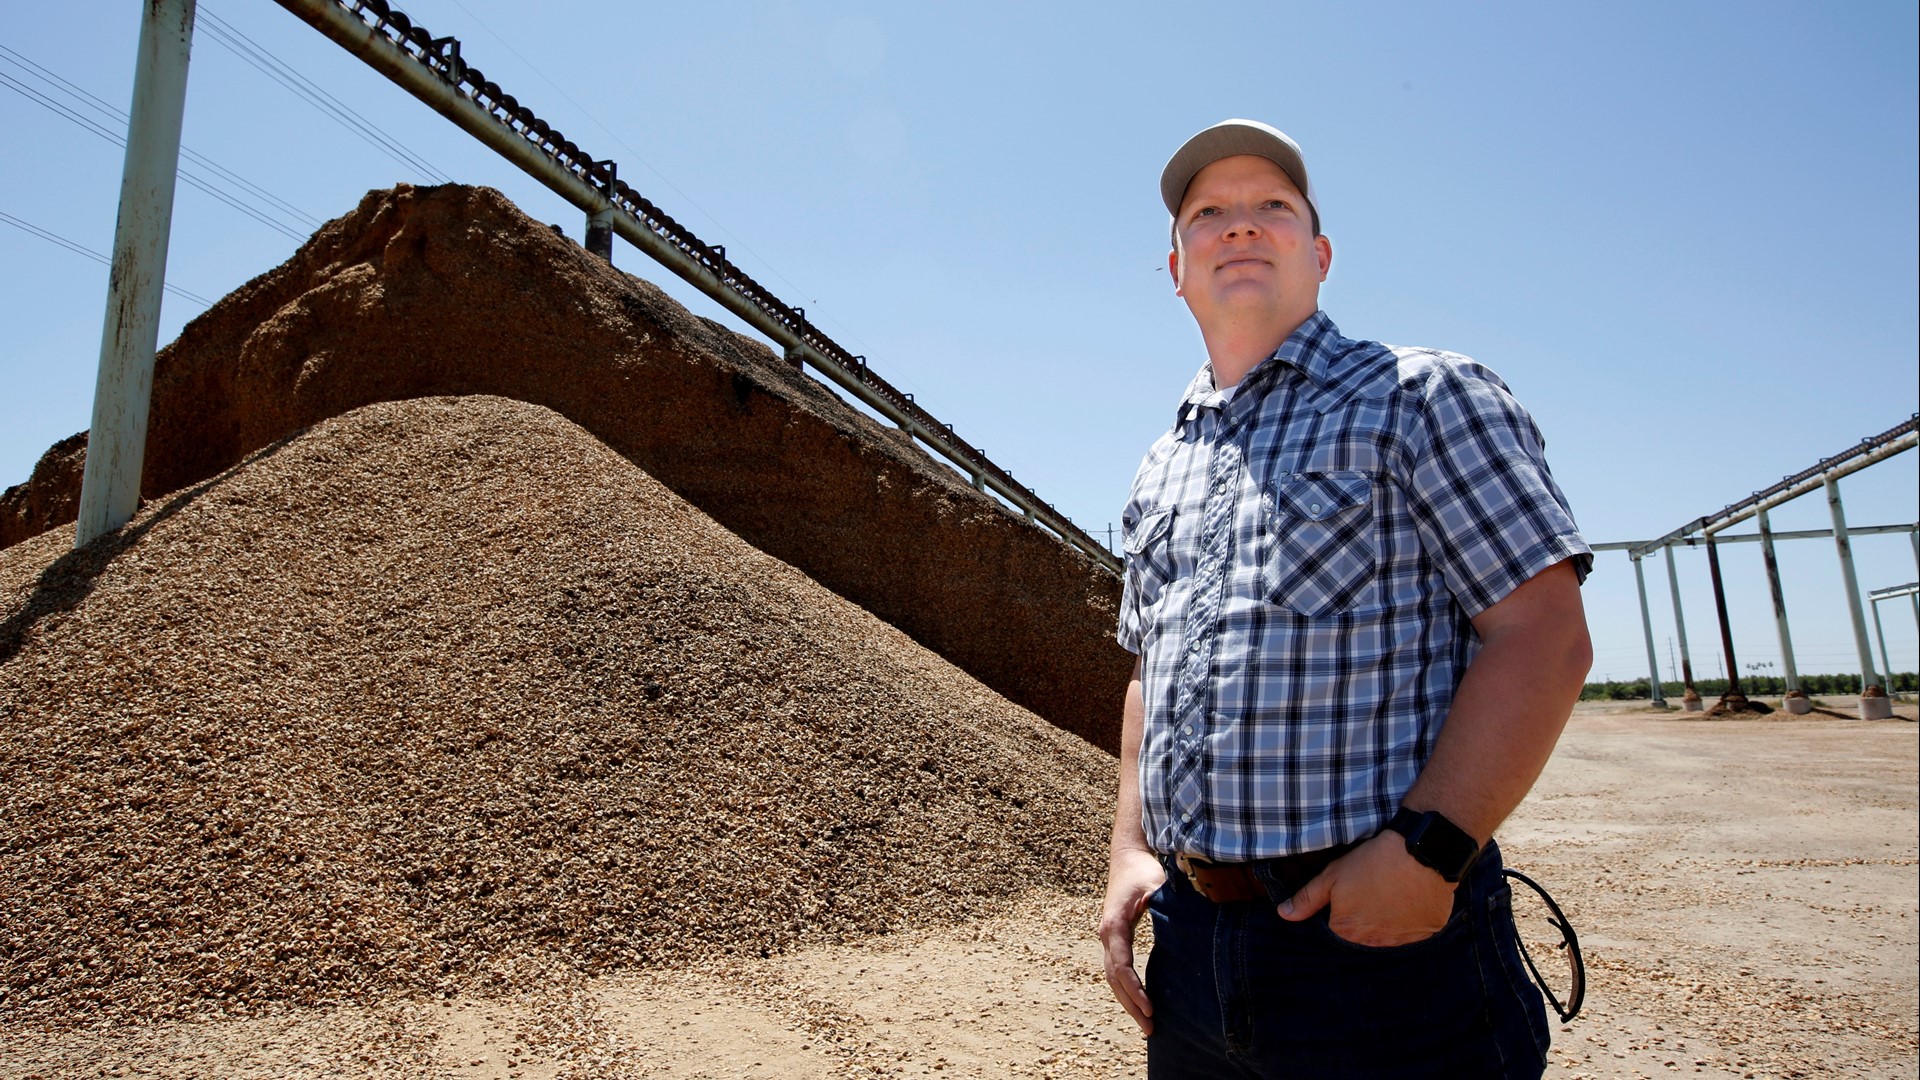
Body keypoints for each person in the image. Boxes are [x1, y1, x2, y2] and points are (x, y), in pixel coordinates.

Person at [1098, 118, 1594, 1079]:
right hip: (1192, 953)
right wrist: (1130, 850)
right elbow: (1147, 671)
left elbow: (1541, 634)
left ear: (1317, 255)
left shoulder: (1420, 396)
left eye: (1271, 207)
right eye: (1210, 214)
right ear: (1175, 268)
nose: (1239, 226)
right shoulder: (1165, 463)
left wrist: (1429, 854)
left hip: (1385, 956)